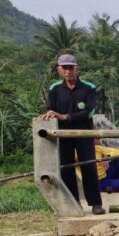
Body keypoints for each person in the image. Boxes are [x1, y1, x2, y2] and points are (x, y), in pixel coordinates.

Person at [39, 54, 104, 215]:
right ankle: (74, 202)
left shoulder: (89, 88)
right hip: (63, 135)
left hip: (83, 133)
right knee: (66, 168)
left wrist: (64, 117)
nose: (68, 71)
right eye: (64, 67)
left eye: (71, 67)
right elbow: (50, 108)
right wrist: (49, 114)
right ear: (59, 70)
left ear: (77, 68)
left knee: (88, 166)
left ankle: (95, 203)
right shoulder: (54, 89)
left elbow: (89, 111)